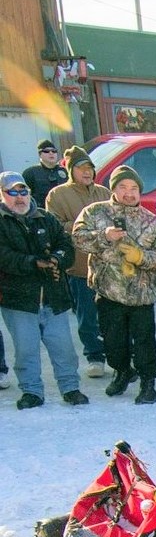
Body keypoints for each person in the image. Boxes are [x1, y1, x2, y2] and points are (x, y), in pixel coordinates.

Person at [70, 164, 156, 403]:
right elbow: (77, 239)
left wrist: (141, 257)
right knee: (113, 341)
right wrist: (104, 236)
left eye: (134, 188)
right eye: (123, 187)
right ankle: (122, 371)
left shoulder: (151, 221)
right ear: (114, 189)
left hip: (142, 294)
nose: (129, 193)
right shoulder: (95, 212)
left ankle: (148, 383)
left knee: (144, 342)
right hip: (109, 292)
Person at [0, 170, 85, 409]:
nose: (19, 197)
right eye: (12, 192)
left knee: (64, 348)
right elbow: (4, 256)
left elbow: (66, 246)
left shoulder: (46, 218)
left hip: (53, 297)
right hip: (18, 301)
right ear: (2, 195)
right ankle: (32, 392)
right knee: (25, 350)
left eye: (23, 191)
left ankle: (70, 388)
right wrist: (33, 262)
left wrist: (57, 259)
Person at [43, 144, 110, 379]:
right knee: (87, 317)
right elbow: (53, 227)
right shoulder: (58, 195)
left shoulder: (103, 192)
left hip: (108, 268)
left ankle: (117, 356)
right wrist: (83, 226)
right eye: (81, 168)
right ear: (71, 170)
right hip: (79, 267)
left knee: (112, 316)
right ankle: (95, 357)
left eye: (89, 167)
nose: (87, 172)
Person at [23, 140, 67, 206]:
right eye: (46, 151)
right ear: (40, 154)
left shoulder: (65, 171)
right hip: (42, 210)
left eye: (54, 151)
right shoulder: (30, 173)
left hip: (63, 208)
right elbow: (24, 194)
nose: (51, 153)